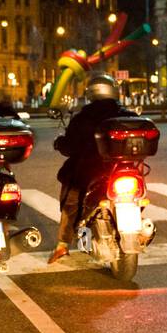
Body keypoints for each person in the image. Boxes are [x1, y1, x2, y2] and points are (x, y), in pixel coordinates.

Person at [48, 73, 132, 265]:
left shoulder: (83, 117)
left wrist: (59, 143)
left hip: (90, 169)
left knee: (71, 198)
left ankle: (63, 244)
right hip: (121, 168)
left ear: (92, 93)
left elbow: (70, 147)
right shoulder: (126, 115)